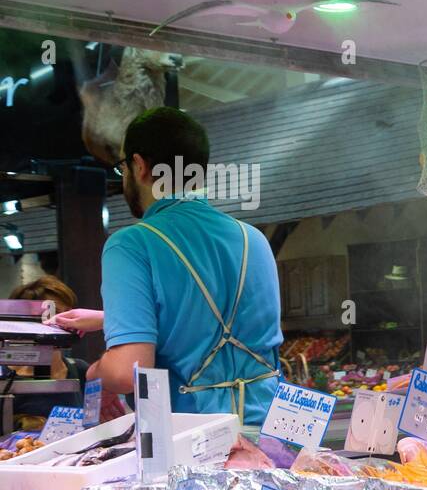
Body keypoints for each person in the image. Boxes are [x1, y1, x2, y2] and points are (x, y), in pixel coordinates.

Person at [54, 107, 282, 426]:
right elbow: (201, 321)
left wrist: (94, 374)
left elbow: (127, 371)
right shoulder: (253, 239)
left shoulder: (132, 243)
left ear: (139, 165)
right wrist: (111, 319)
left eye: (122, 168)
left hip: (197, 448)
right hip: (272, 436)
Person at [6, 275, 89, 421]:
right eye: (54, 313)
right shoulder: (5, 376)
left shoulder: (81, 370)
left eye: (68, 313)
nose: (65, 321)